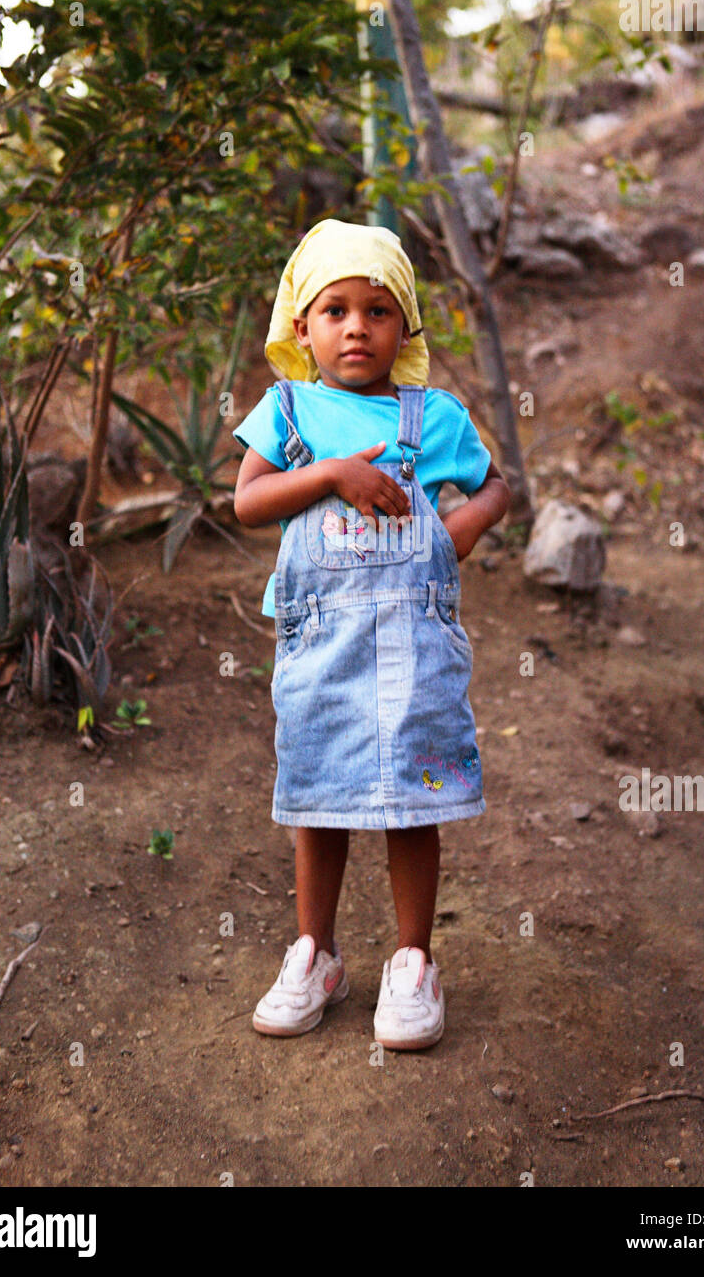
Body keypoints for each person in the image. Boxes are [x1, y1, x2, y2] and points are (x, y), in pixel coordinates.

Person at [232, 219, 510, 1049]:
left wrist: (453, 536)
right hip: (319, 643)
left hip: (414, 643)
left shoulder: (436, 416)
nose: (357, 327)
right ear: (302, 328)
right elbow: (247, 502)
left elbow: (495, 487)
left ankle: (413, 961)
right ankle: (315, 953)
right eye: (336, 310)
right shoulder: (288, 410)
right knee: (316, 798)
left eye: (380, 310)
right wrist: (329, 472)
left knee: (409, 801)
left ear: (405, 327)